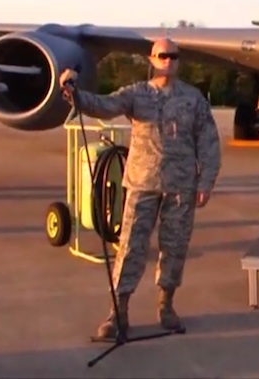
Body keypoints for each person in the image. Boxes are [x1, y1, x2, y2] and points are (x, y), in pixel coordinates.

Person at [59, 38, 222, 340]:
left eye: (173, 56)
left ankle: (167, 305)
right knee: (132, 245)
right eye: (163, 55)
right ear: (152, 59)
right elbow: (104, 105)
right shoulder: (137, 94)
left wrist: (206, 181)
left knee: (175, 247)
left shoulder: (193, 98)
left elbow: (209, 141)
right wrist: (74, 94)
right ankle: (118, 311)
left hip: (181, 186)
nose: (169, 60)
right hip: (142, 182)